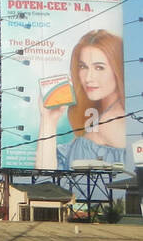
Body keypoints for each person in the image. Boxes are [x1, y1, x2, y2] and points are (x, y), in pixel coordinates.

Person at [36, 30, 126, 171]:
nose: (89, 77)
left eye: (99, 67)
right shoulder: (96, 115)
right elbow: (47, 174)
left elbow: (47, 176)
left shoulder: (111, 121)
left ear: (118, 69)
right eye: (83, 67)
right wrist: (48, 120)